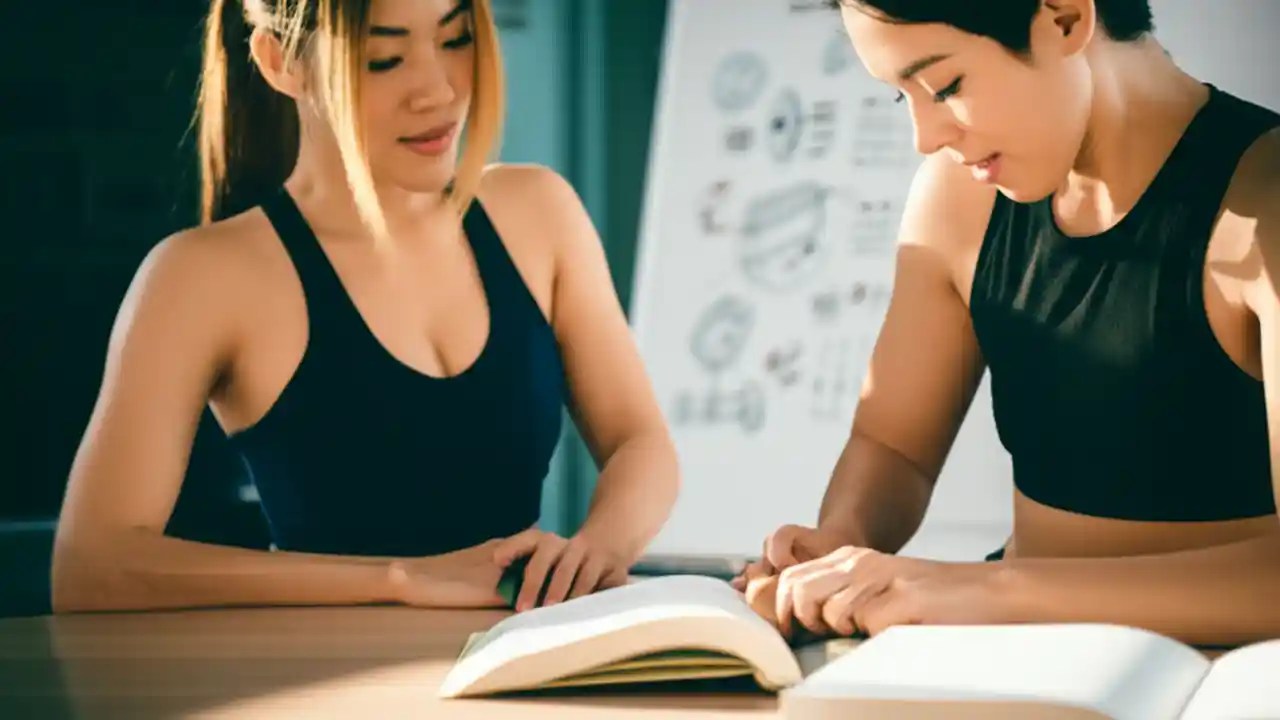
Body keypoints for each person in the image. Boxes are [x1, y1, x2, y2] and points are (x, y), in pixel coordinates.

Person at [50, 0, 679, 614]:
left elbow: (639, 441)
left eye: (455, 39)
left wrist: (596, 550)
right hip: (321, 685)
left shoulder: (539, 212)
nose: (437, 91)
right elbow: (92, 566)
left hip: (518, 667)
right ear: (279, 63)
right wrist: (403, 579)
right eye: (384, 58)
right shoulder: (204, 276)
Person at [736, 0, 1280, 647]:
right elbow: (895, 447)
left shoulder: (1263, 201)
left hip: (1220, 678)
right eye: (899, 98)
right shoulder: (958, 199)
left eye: (945, 87)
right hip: (1022, 662)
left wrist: (983, 589)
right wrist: (841, 543)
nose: (925, 136)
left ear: (1065, 20)